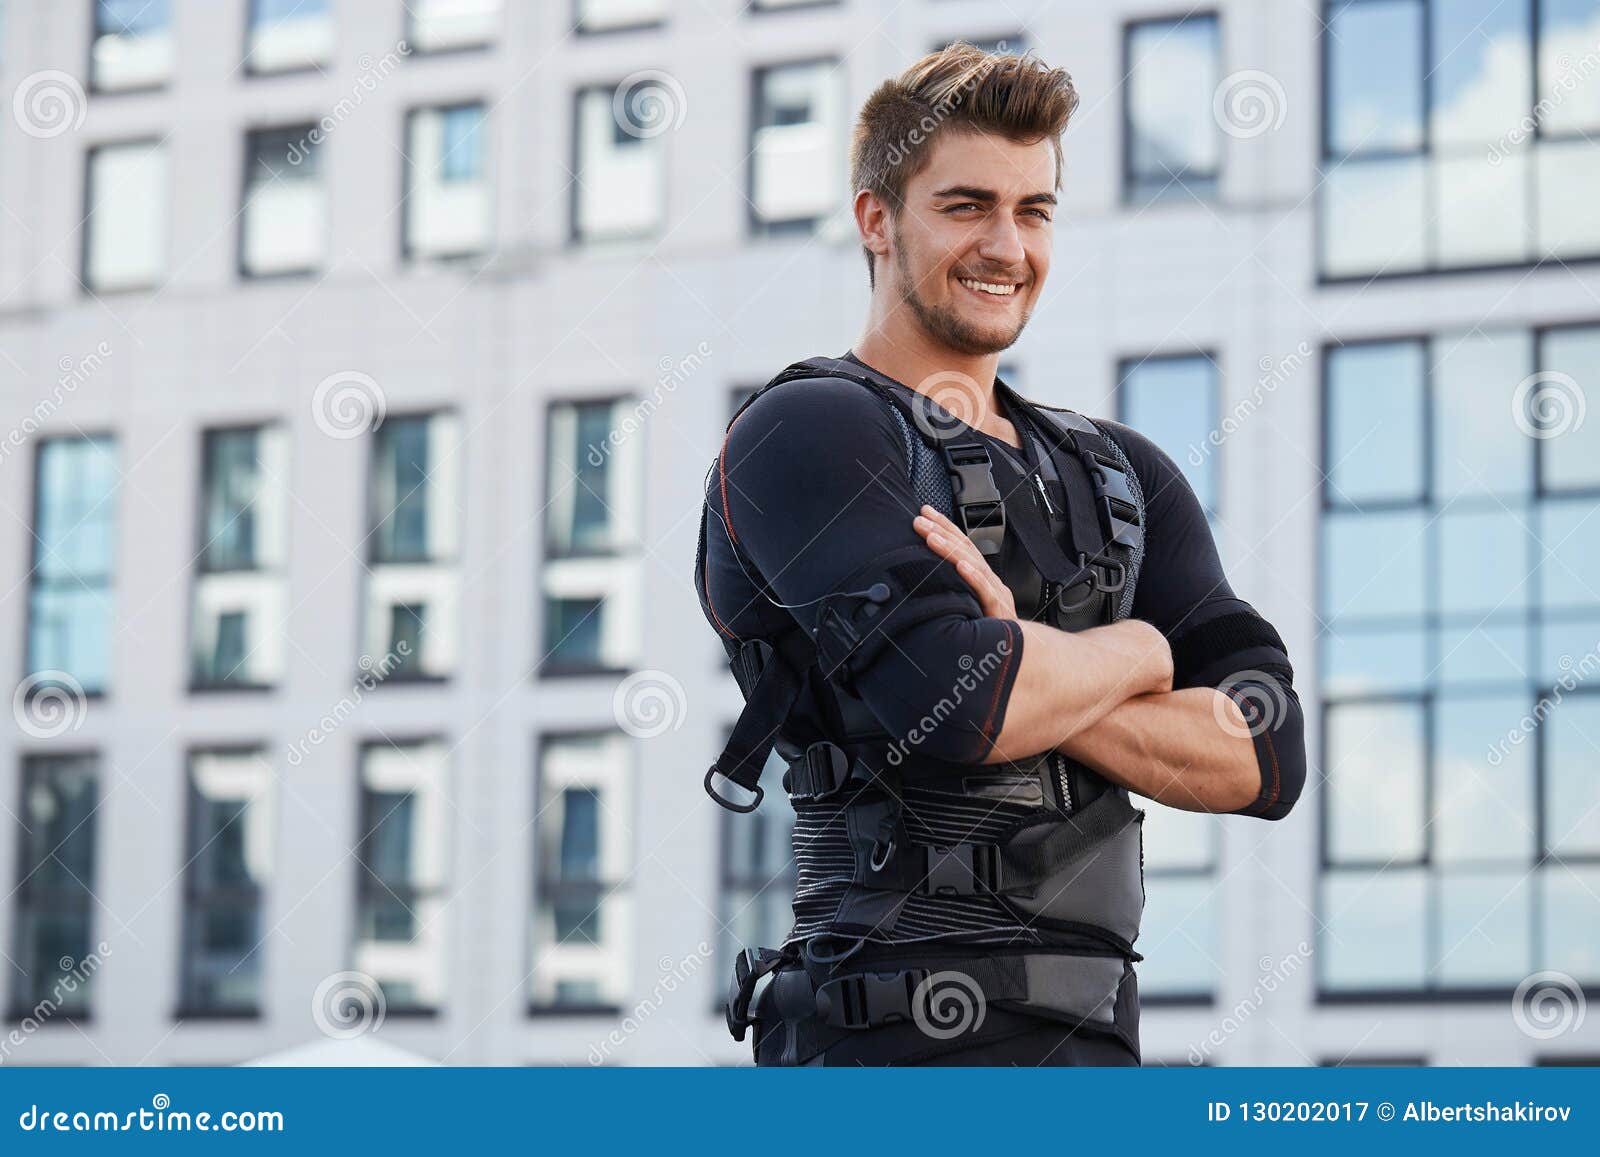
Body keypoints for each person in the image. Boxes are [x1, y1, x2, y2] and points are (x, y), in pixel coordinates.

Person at [695, 43, 1305, 1067]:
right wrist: (1143, 654)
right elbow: (960, 703)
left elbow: (1267, 755)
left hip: (1094, 1054)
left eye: (1035, 210)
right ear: (876, 219)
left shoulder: (1123, 473)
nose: (1007, 246)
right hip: (880, 1055)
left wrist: (1030, 654)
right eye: (967, 206)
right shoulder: (808, 430)